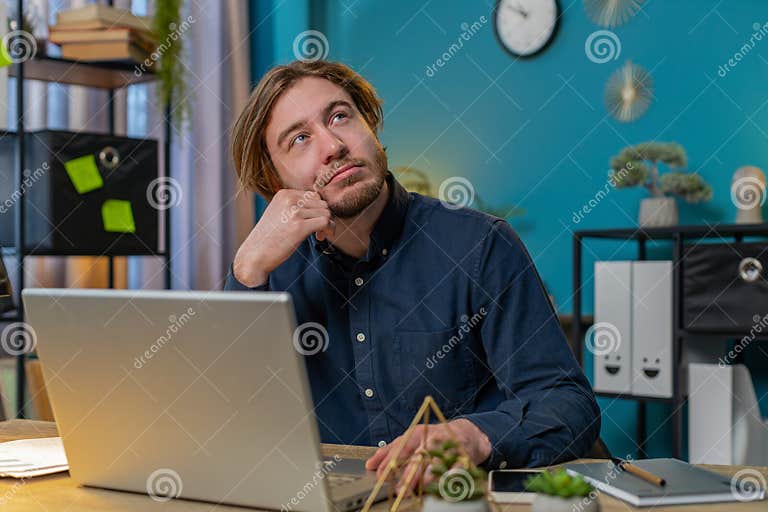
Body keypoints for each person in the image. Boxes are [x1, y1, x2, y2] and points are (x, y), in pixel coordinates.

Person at [225, 60, 600, 475]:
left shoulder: (480, 245)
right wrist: (247, 269)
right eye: (299, 139)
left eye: (340, 116)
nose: (332, 145)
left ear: (371, 126)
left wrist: (475, 436)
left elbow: (567, 403)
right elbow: (222, 427)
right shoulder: (266, 276)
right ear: (272, 179)